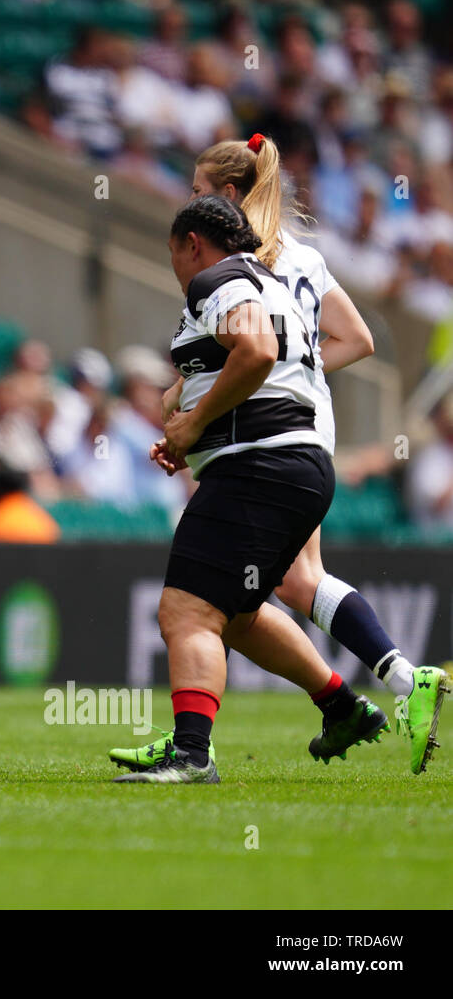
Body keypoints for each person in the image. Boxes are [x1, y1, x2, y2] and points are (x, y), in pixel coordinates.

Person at [112, 133, 450, 775]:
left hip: (260, 439)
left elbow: (254, 347)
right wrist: (300, 373)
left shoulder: (229, 263)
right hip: (298, 431)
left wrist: (216, 401)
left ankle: (200, 745)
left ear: (227, 198)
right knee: (249, 602)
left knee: (218, 601)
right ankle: (358, 699)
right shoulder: (298, 256)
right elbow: (359, 338)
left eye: (198, 194)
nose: (190, 207)